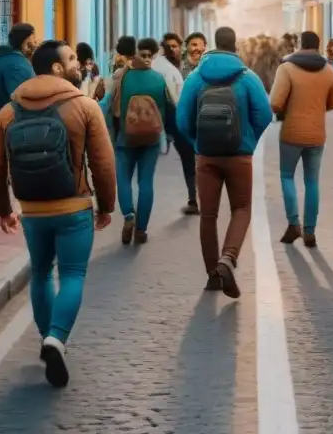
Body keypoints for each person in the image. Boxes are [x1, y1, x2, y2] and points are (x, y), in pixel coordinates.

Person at [0, 40, 115, 387]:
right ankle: (56, 339)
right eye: (71, 58)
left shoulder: (8, 111)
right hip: (74, 208)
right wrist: (106, 206)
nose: (78, 63)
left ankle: (46, 337)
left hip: (32, 211)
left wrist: (4, 210)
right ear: (57, 68)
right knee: (72, 274)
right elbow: (103, 164)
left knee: (41, 273)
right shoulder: (85, 106)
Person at [176, 26, 272, 298]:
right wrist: (248, 141)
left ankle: (213, 276)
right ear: (235, 45)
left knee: (208, 214)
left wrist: (198, 143)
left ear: (213, 44)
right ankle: (228, 258)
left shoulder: (195, 77)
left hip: (206, 156)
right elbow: (265, 115)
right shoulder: (247, 77)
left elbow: (182, 120)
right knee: (241, 208)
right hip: (239, 155)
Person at [271, 31, 333, 247]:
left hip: (291, 133)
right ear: (318, 46)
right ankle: (310, 231)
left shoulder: (286, 68)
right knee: (312, 182)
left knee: (287, 176)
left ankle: (294, 224)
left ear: (300, 44)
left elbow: (275, 102)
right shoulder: (329, 70)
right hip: (316, 134)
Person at [104, 36, 173, 245]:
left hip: (125, 137)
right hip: (151, 138)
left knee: (123, 178)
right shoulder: (159, 79)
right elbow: (167, 108)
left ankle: (129, 215)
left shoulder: (121, 77)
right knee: (146, 182)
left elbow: (109, 108)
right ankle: (141, 230)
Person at [158, 32, 198, 214]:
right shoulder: (162, 69)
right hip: (173, 121)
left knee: (194, 159)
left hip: (191, 119)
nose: (171, 50)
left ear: (180, 47)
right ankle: (194, 198)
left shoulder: (186, 68)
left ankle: (197, 197)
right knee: (188, 159)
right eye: (168, 47)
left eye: (174, 46)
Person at [0, 23, 38, 154]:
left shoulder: (3, 60)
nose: (36, 45)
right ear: (26, 44)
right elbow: (24, 100)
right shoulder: (17, 65)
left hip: (1, 132)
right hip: (13, 137)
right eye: (34, 41)